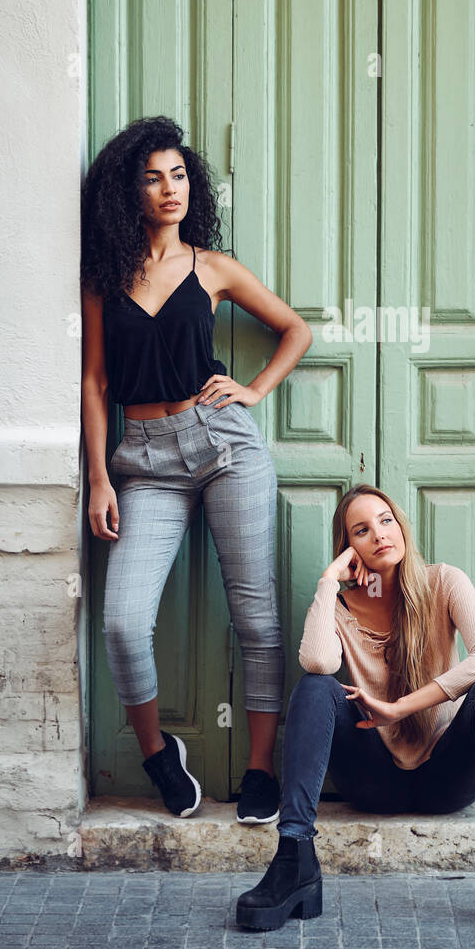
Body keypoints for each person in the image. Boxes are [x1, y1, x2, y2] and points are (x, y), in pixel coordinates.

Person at [81, 115, 311, 823]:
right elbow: (94, 381)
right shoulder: (104, 276)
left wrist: (253, 388)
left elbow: (295, 329)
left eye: (178, 175)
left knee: (255, 616)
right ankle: (158, 755)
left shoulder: (212, 268)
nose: (168, 188)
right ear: (132, 191)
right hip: (143, 460)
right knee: (121, 622)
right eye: (152, 177)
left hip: (223, 445)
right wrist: (98, 478)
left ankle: (260, 769)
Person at [236, 484, 475, 935]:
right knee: (315, 689)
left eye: (385, 520)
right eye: (361, 530)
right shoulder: (336, 607)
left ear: (400, 526)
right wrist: (326, 583)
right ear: (348, 548)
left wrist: (400, 707)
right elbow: (318, 662)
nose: (378, 534)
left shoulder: (444, 582)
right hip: (373, 779)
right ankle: (294, 858)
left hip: (446, 778)